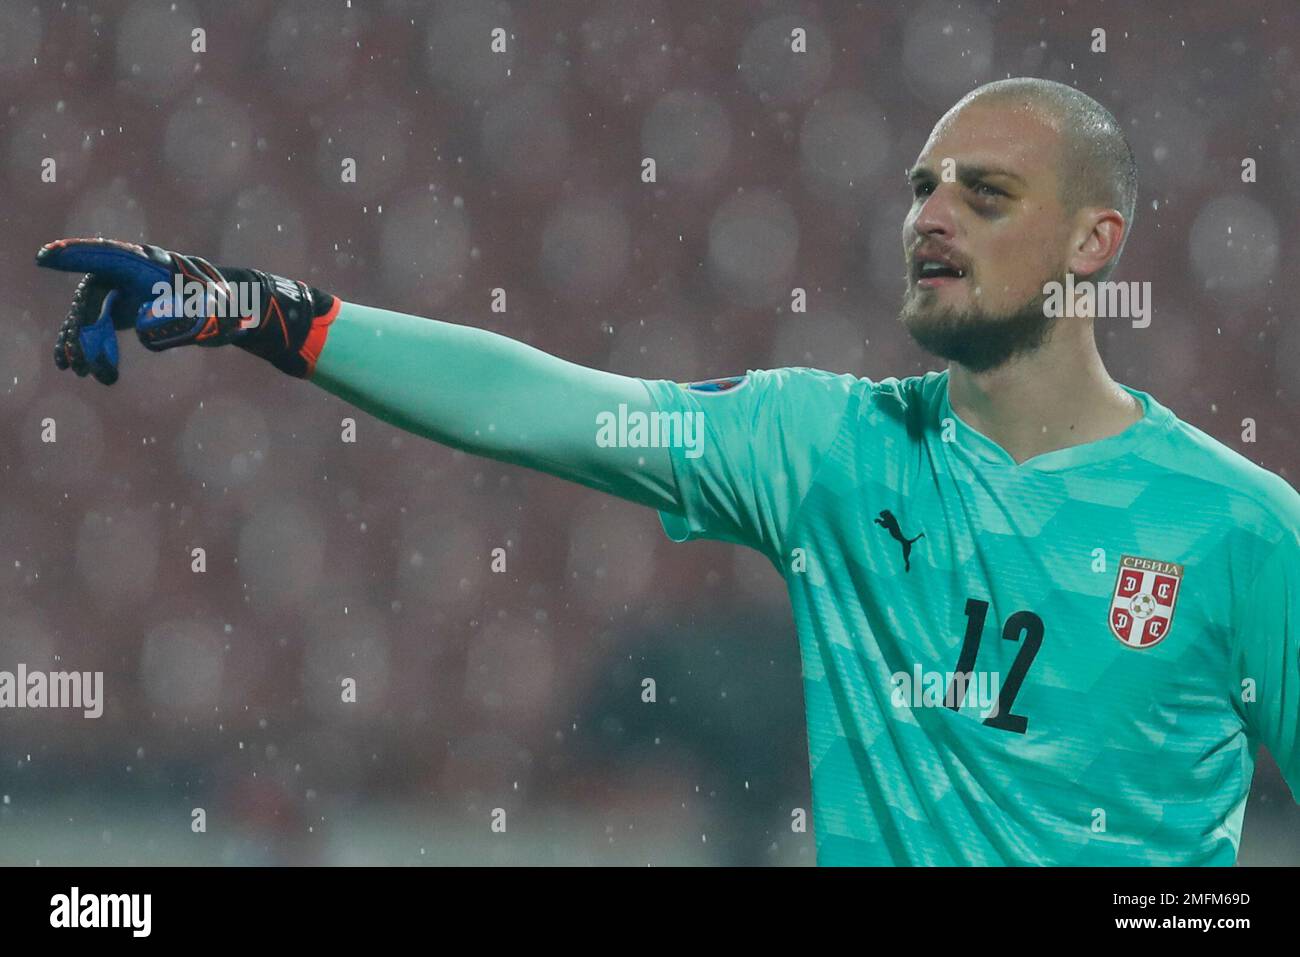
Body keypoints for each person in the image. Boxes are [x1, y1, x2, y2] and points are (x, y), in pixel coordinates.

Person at [37, 77, 1299, 865]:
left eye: (985, 192)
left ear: (1095, 242)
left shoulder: (1238, 530)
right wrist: (268, 312)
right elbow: (549, 409)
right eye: (922, 188)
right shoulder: (826, 449)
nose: (930, 214)